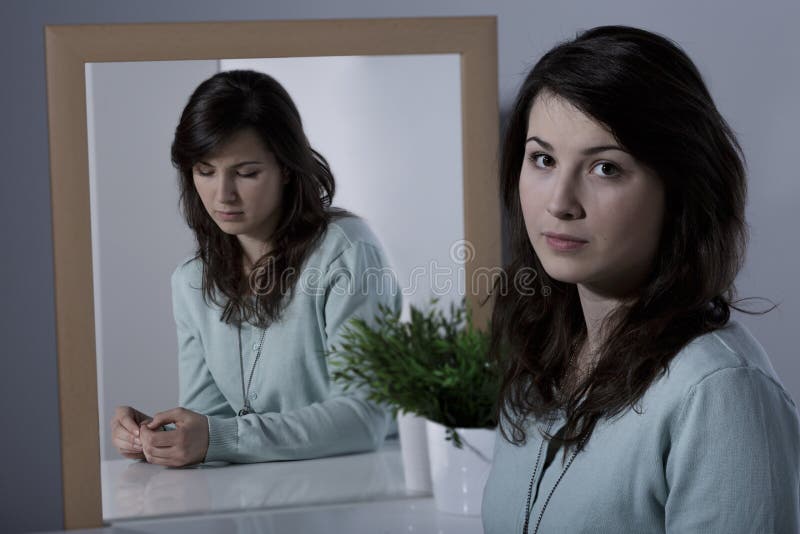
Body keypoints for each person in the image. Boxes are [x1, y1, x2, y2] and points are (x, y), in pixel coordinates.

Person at [482, 26, 800, 533]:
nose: (559, 202)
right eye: (542, 159)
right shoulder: (540, 363)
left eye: (605, 168)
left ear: (679, 188)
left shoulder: (720, 395)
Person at [109, 69, 400, 467]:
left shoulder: (345, 250)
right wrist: (158, 436)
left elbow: (365, 418)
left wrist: (216, 436)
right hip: (253, 498)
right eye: (205, 172)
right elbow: (212, 425)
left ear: (286, 169)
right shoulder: (191, 281)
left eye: (246, 173)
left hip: (352, 490)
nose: (222, 194)